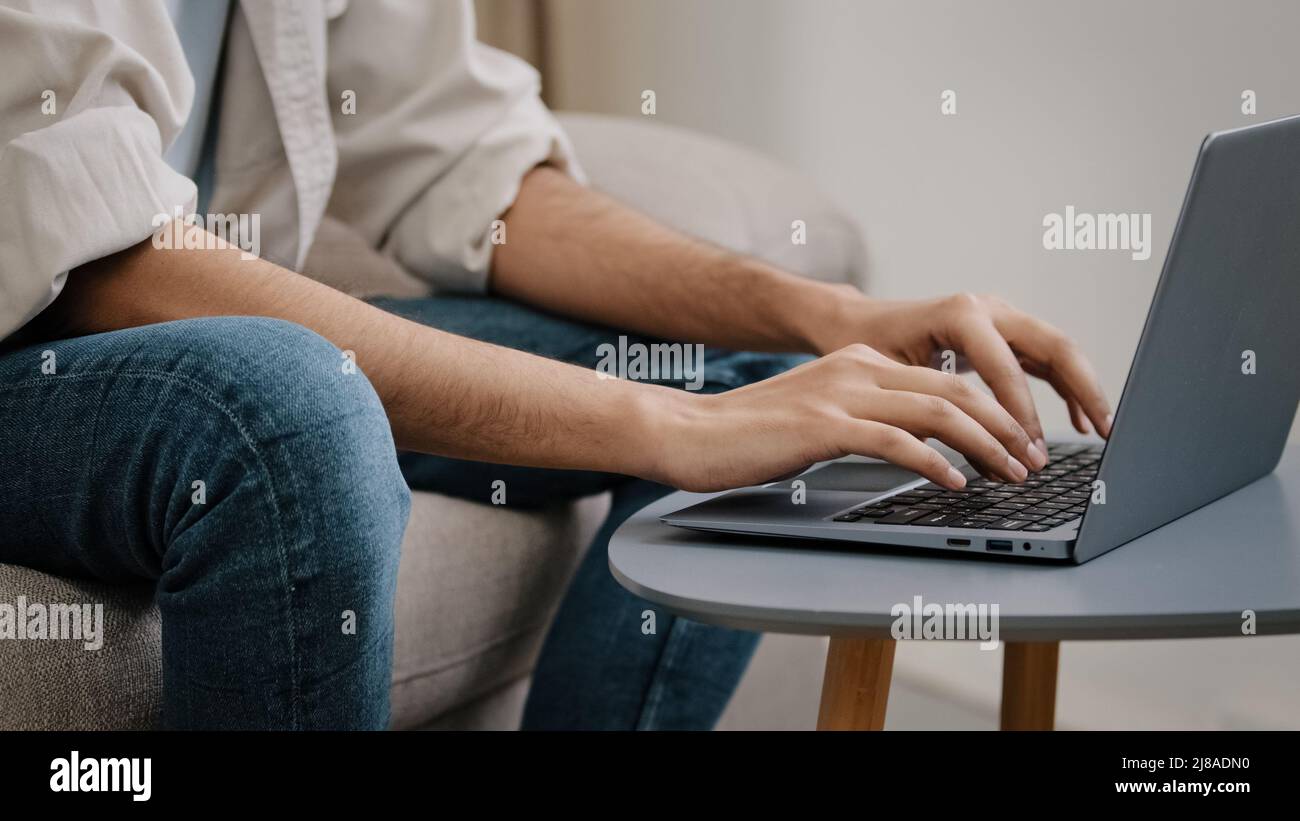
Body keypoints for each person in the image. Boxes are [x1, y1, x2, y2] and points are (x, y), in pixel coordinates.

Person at [0, 0, 1110, 730]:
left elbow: (469, 173)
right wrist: (662, 426)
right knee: (291, 414)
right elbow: (105, 262)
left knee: (746, 383)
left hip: (191, 321)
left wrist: (825, 314)